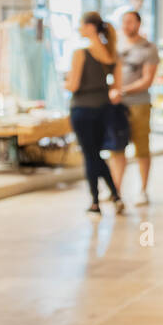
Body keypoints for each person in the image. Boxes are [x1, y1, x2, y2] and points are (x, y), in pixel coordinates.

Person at [64, 12, 126, 215]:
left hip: (82, 109)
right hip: (103, 109)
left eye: (81, 25)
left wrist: (65, 82)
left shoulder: (81, 53)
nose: (80, 29)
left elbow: (73, 85)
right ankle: (115, 195)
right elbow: (117, 89)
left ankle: (95, 202)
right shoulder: (111, 55)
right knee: (96, 155)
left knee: (90, 156)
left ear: (90, 27)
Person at [114, 10, 159, 203]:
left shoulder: (148, 48)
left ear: (138, 24)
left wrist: (123, 90)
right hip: (117, 105)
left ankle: (143, 189)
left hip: (139, 104)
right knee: (116, 148)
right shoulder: (117, 47)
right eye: (124, 22)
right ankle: (115, 189)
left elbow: (147, 79)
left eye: (130, 22)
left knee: (141, 148)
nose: (126, 25)